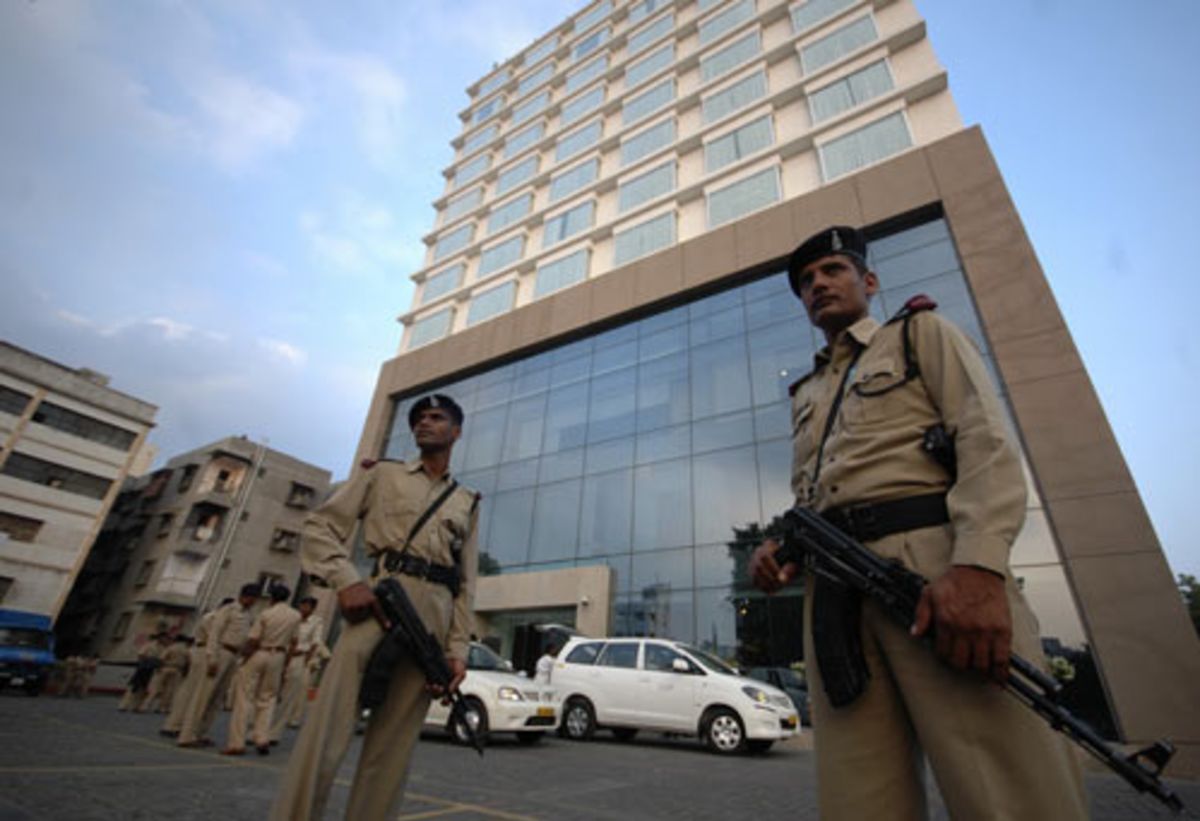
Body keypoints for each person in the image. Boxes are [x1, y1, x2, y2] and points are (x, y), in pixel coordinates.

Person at [748, 226, 1088, 820]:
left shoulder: (918, 335)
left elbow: (985, 442)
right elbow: (817, 493)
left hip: (932, 575)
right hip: (835, 595)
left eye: (832, 270)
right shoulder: (808, 389)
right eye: (806, 282)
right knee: (860, 798)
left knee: (1005, 790)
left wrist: (979, 567)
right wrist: (780, 548)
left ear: (868, 282)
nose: (817, 285)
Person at [270, 393, 480, 821]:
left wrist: (457, 650)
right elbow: (320, 525)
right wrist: (346, 580)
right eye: (419, 418)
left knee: (392, 751)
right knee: (325, 736)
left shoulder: (467, 500)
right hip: (382, 605)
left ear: (456, 432)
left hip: (432, 625)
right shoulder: (382, 475)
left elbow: (465, 584)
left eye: (436, 417)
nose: (424, 423)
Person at [222, 584, 301, 756]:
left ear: (272, 597)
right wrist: (285, 664)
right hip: (279, 655)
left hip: (261, 652)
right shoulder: (295, 616)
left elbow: (253, 639)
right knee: (268, 698)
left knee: (244, 697)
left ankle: (237, 742)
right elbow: (294, 642)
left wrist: (245, 658)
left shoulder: (266, 614)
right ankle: (262, 737)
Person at [176, 585, 258, 748]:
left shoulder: (248, 615)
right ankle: (187, 735)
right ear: (245, 596)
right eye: (253, 598)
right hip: (221, 651)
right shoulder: (228, 610)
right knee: (203, 695)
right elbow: (215, 633)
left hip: (234, 655)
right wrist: (212, 658)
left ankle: (201, 732)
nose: (254, 602)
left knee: (217, 697)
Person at [161, 599, 230, 738]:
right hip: (206, 651)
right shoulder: (214, 617)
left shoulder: (210, 616)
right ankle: (177, 725)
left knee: (190, 690)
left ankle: (176, 724)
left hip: (203, 650)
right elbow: (215, 637)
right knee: (194, 691)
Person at [268, 595, 325, 744]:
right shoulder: (292, 617)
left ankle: (274, 733)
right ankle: (259, 727)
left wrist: (308, 659)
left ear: (313, 609)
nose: (304, 609)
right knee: (270, 692)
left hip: (298, 658)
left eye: (307, 606)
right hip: (281, 655)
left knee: (288, 697)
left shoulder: (316, 622)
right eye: (302, 605)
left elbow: (315, 642)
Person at [118, 633, 165, 712]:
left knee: (143, 688)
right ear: (160, 638)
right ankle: (124, 705)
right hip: (143, 667)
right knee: (134, 687)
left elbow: (161, 659)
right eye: (164, 638)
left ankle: (136, 706)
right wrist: (147, 661)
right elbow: (141, 654)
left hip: (151, 669)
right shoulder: (149, 645)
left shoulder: (162, 648)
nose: (166, 640)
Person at [145, 635, 190, 713]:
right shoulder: (186, 650)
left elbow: (162, 658)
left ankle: (145, 706)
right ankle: (163, 708)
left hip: (166, 667)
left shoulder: (171, 648)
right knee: (170, 690)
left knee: (156, 688)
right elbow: (188, 662)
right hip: (177, 670)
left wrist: (158, 668)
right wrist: (185, 672)